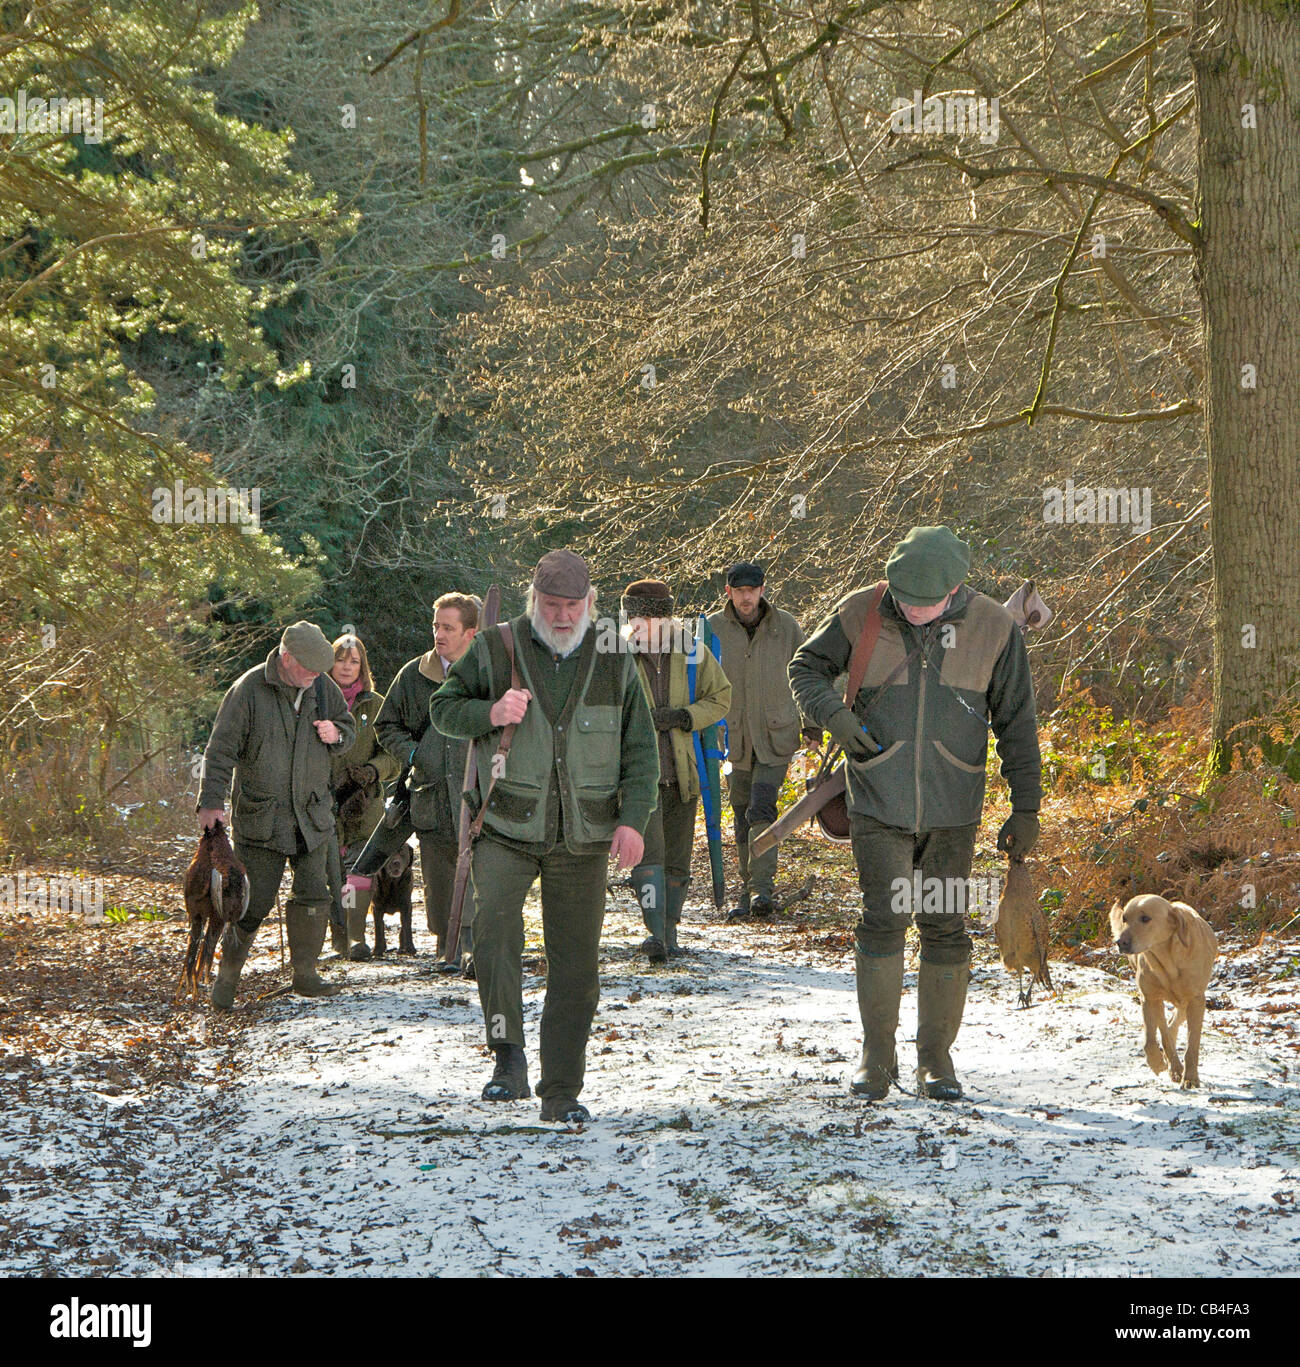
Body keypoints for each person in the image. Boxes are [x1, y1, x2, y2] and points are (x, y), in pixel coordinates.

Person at [788, 526, 1042, 1100]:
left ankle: (937, 1062)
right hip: (876, 797)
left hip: (955, 807)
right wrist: (836, 716)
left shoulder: (995, 629)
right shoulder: (860, 612)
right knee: (884, 918)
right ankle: (876, 1059)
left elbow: (1018, 725)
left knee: (945, 924)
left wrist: (1027, 805)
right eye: (905, 600)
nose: (915, 610)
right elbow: (804, 668)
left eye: (927, 603)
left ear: (956, 587)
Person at [429, 550, 658, 1123]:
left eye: (572, 606)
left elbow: (641, 748)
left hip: (584, 836)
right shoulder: (496, 647)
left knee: (577, 967)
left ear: (590, 605)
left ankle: (561, 1091)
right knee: (494, 934)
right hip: (505, 827)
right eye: (551, 606)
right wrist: (489, 712)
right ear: (534, 602)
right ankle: (507, 1057)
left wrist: (633, 819)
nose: (561, 617)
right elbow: (442, 709)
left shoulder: (614, 656)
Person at [196, 621, 357, 1008]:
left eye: (321, 669)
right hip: (262, 820)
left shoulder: (321, 686)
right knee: (250, 904)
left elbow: (349, 728)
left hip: (312, 817)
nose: (316, 675)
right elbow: (220, 751)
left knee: (314, 898)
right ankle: (226, 983)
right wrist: (211, 803)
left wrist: (337, 734)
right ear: (286, 658)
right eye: (309, 668)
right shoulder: (249, 690)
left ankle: (306, 975)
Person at [623, 578, 731, 961]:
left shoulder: (693, 654)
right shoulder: (618, 655)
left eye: (644, 618)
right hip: (639, 777)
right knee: (647, 856)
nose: (636, 624)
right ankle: (654, 934)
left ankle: (670, 933)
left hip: (684, 774)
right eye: (632, 617)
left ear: (664, 620)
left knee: (677, 860)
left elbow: (721, 697)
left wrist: (686, 717)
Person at [372, 593, 480, 973]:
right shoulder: (413, 675)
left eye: (447, 627)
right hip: (430, 794)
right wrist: (416, 755)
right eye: (435, 625)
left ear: (471, 632)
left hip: (478, 795)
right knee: (439, 876)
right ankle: (445, 947)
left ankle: (472, 945)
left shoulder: (491, 674)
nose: (438, 634)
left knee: (479, 871)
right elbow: (385, 726)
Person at [707, 562, 819, 920]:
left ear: (762, 590)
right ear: (728, 592)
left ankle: (762, 890)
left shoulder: (785, 626)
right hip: (731, 738)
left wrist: (813, 724)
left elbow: (807, 674)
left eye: (751, 591)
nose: (745, 597)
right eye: (738, 591)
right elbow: (695, 680)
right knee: (740, 813)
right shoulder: (711, 629)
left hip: (776, 735)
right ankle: (747, 886)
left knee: (761, 807)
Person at [325, 634, 400, 960]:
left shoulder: (377, 704)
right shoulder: (316, 700)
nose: (346, 666)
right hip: (323, 804)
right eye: (341, 659)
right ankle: (335, 940)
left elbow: (394, 756)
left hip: (364, 804)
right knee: (330, 873)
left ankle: (355, 938)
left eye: (354, 661)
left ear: (362, 667)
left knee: (357, 871)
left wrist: (371, 770)